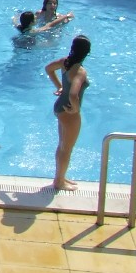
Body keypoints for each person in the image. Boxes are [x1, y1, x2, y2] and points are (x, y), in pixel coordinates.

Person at [45, 35, 91, 191]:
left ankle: (60, 177)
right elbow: (73, 94)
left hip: (59, 108)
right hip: (69, 112)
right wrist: (76, 108)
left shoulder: (65, 62)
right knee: (67, 148)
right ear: (87, 52)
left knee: (62, 146)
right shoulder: (79, 71)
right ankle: (59, 182)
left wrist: (59, 86)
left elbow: (48, 69)